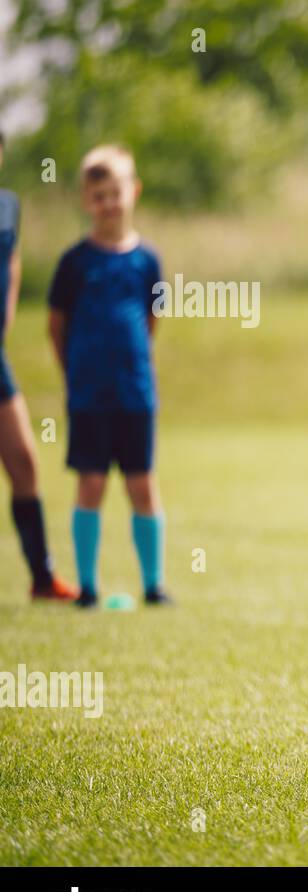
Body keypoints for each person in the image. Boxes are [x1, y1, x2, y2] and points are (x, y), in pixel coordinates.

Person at [48, 145, 170, 608]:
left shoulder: (147, 261)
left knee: (141, 484)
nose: (108, 203)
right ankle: (88, 587)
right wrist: (74, 374)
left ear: (132, 192)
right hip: (89, 397)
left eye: (115, 192)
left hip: (135, 393)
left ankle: (155, 584)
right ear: (86, 201)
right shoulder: (74, 262)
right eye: (98, 196)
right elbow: (56, 326)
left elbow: (153, 319)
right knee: (91, 483)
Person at [0, 129, 77, 601]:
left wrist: (8, 308)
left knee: (25, 461)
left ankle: (42, 578)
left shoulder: (9, 204)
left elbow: (12, 258)